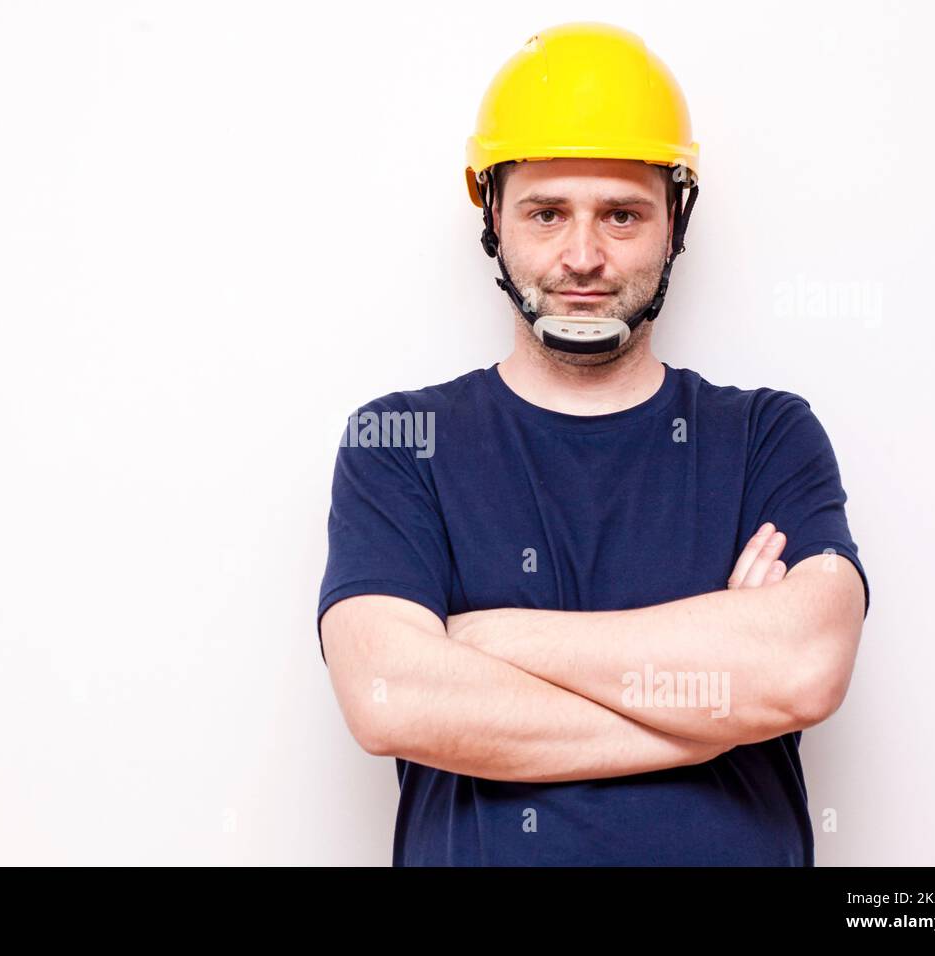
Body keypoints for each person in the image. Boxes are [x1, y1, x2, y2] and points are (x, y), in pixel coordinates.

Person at [316, 22, 870, 866]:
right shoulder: (400, 444)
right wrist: (713, 708)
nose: (583, 256)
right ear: (493, 217)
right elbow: (392, 700)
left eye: (622, 215)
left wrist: (489, 639)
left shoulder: (767, 436)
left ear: (675, 224)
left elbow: (801, 671)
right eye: (547, 213)